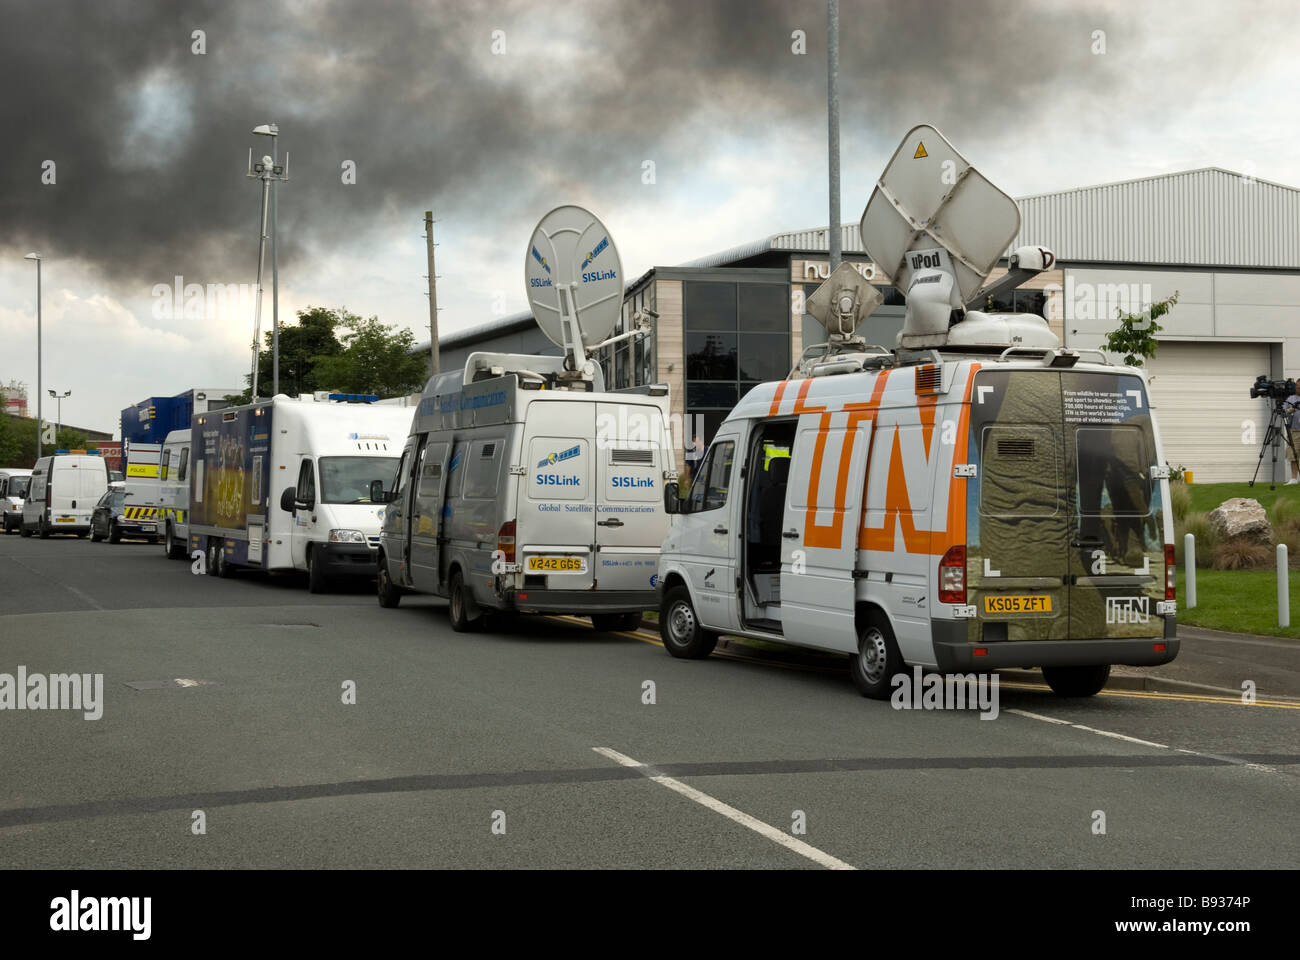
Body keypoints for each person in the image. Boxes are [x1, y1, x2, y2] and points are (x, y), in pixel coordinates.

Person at [1284, 391, 1300, 484]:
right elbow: (1283, 412)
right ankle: (1294, 479)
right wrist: (1292, 409)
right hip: (1294, 430)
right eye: (1298, 387)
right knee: (1293, 454)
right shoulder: (1290, 399)